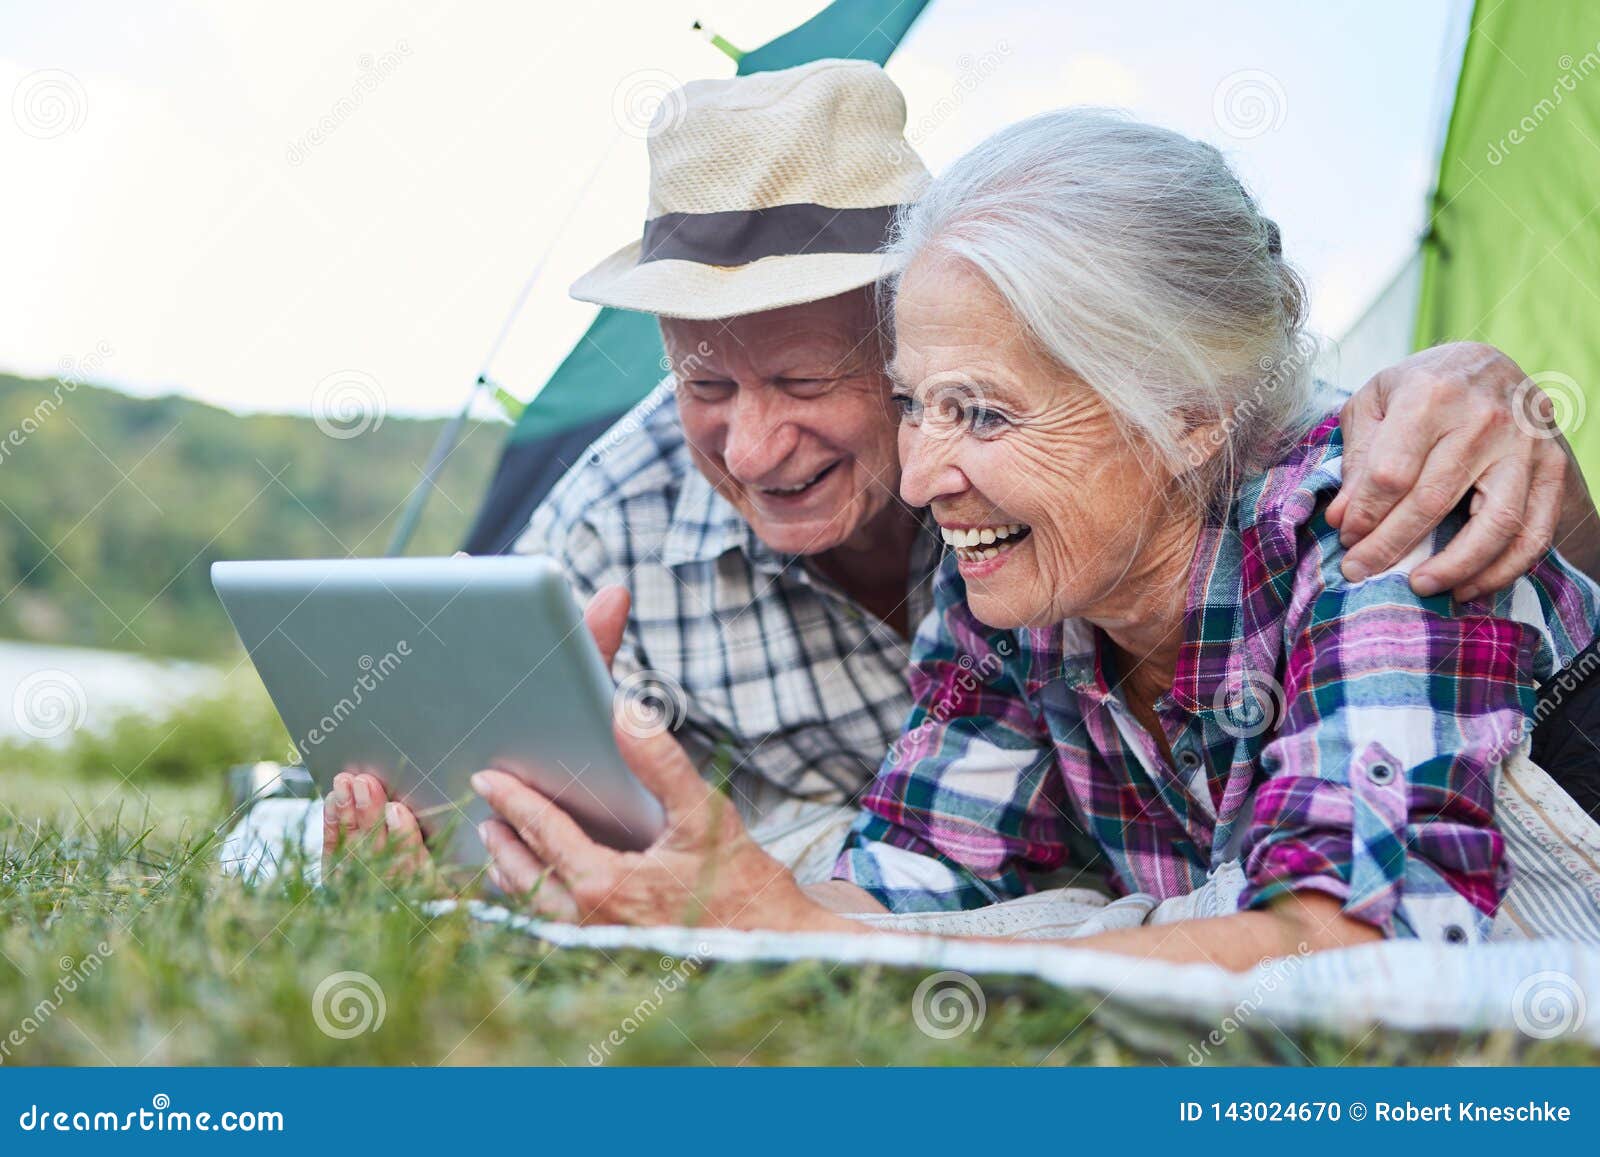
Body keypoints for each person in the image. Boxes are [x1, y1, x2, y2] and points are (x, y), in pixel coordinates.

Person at [326, 62, 1600, 887]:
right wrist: (454, 818)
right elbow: (907, 876)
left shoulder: (1322, 492)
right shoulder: (640, 523)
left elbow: (1348, 938)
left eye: (811, 381)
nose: (751, 448)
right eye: (705, 385)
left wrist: (1493, 398)